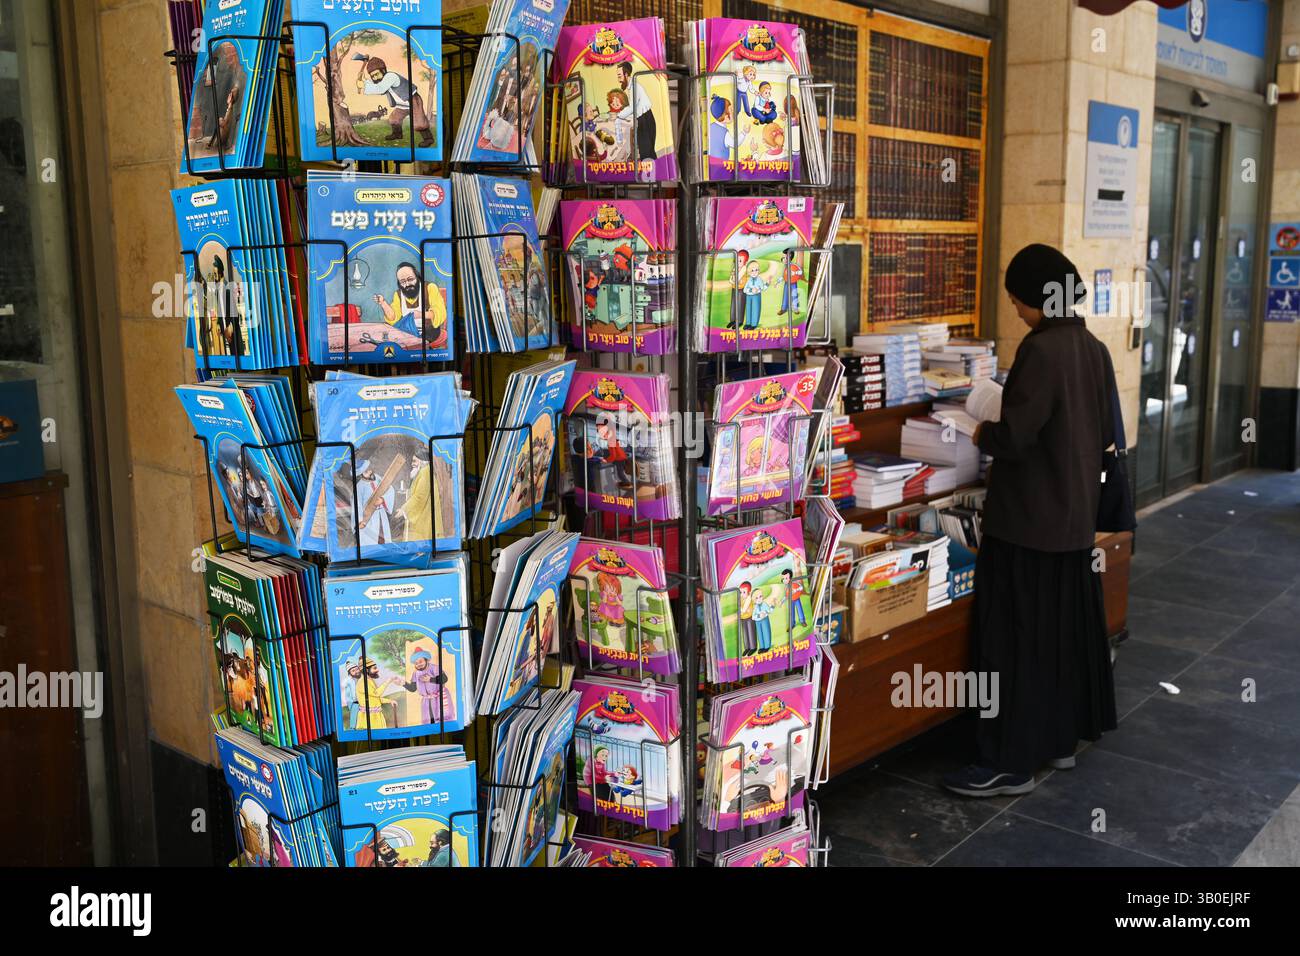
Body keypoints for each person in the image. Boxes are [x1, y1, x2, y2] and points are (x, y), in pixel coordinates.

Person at [941, 243, 1118, 798]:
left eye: (1018, 299)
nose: (1015, 308)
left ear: (1039, 298)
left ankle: (1007, 762)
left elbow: (1017, 436)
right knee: (1056, 643)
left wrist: (980, 429)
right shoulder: (1090, 346)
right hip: (1071, 524)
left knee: (1012, 645)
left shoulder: (1042, 351)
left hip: (1026, 526)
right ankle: (1057, 743)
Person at [355, 55, 434, 147]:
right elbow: (377, 85)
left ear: (383, 70)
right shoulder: (382, 80)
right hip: (402, 104)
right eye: (372, 76)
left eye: (376, 74)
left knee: (419, 122)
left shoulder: (390, 76)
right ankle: (397, 134)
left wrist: (364, 86)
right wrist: (364, 81)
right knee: (394, 118)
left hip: (413, 100)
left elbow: (380, 89)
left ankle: (428, 139)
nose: (375, 78)